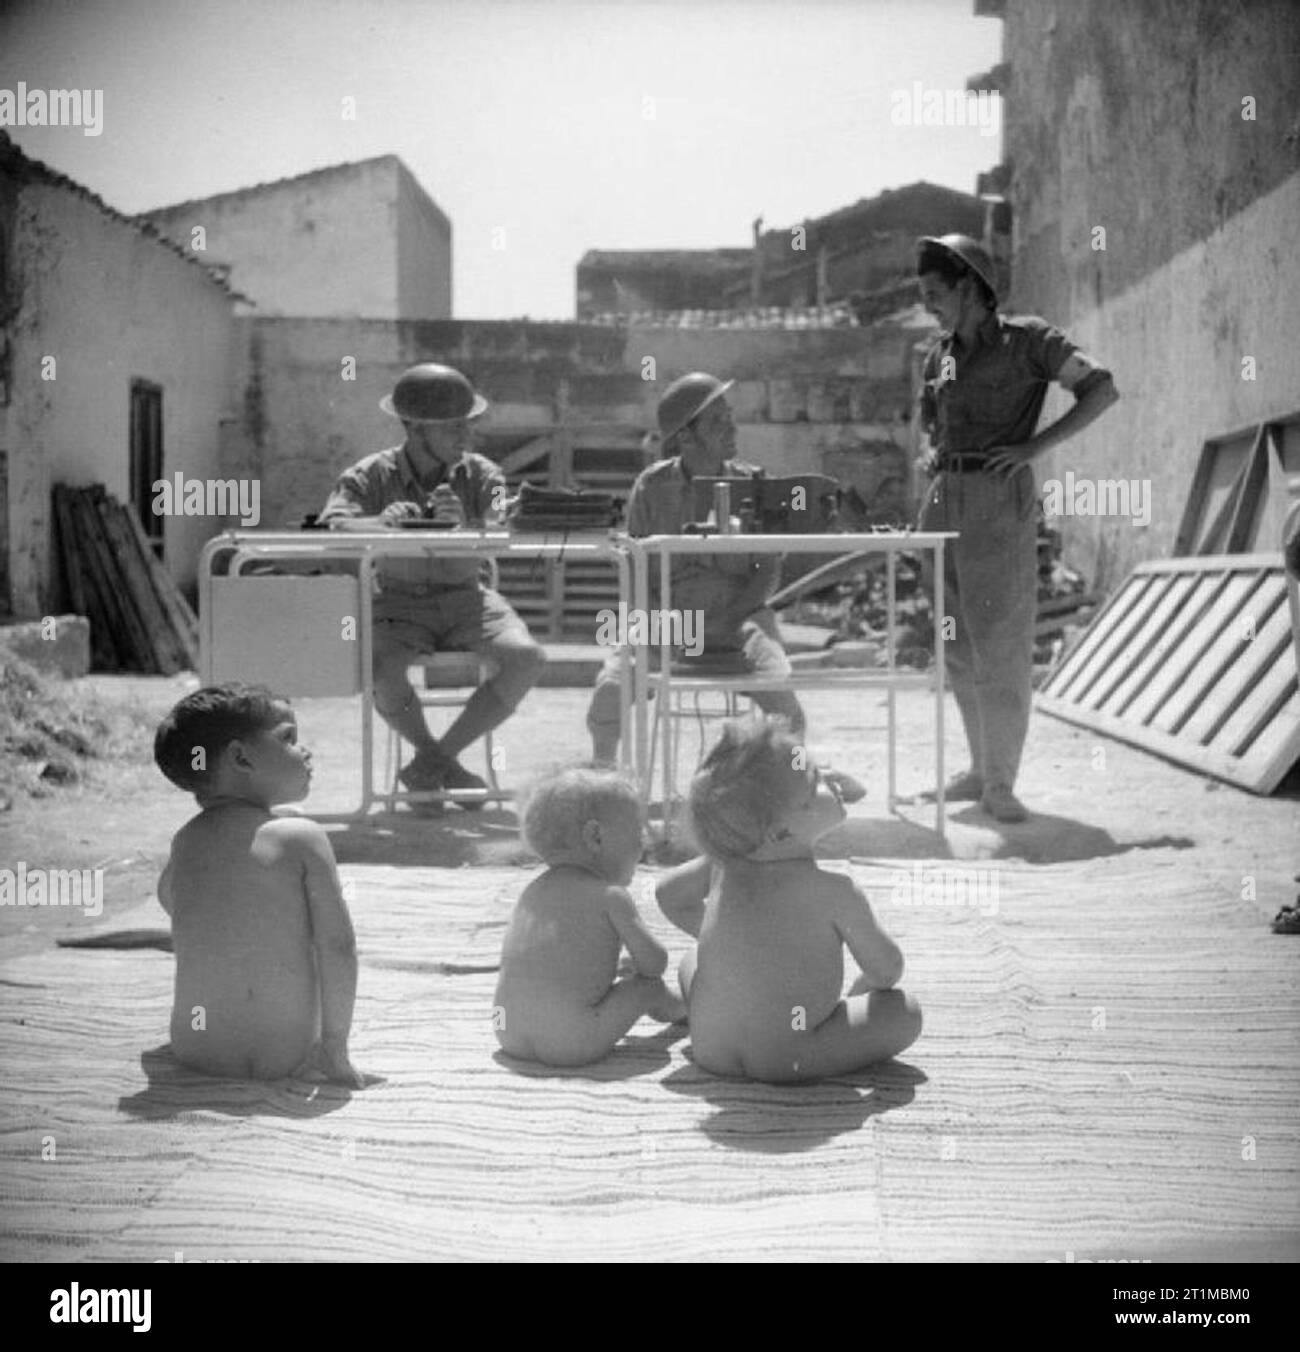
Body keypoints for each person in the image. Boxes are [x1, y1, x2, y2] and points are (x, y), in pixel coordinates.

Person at [915, 234, 1120, 822]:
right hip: (944, 500)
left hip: (997, 502)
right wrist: (933, 465)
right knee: (954, 644)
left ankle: (1002, 783)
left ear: (970, 286)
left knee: (1000, 644)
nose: (928, 304)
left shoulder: (1029, 341)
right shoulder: (938, 355)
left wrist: (1035, 447)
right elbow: (933, 425)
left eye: (935, 293)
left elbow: (1100, 388)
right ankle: (979, 769)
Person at [319, 363, 546, 807]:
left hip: (469, 600)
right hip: (397, 603)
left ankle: (434, 761)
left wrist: (466, 526)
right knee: (379, 668)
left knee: (527, 659)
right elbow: (331, 524)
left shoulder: (483, 473)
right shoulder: (370, 474)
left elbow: (504, 526)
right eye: (453, 427)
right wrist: (380, 524)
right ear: (415, 428)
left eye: (467, 424)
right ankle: (444, 765)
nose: (465, 436)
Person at [659, 717, 921, 1083]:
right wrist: (861, 995)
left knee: (693, 958)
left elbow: (669, 895)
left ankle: (717, 1010)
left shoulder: (726, 860)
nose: (831, 780)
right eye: (816, 783)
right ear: (780, 832)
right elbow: (887, 969)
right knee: (904, 1012)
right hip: (789, 1054)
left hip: (710, 1045)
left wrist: (733, 947)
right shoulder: (836, 892)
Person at [153, 683, 370, 1085]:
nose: (305, 751)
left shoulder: (186, 840)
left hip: (195, 1048)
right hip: (284, 1054)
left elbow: (170, 898)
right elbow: (339, 947)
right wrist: (334, 1047)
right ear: (240, 757)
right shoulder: (302, 837)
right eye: (289, 738)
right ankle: (328, 1050)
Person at [586, 371, 806, 766]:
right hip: (668, 621)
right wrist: (663, 623)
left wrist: (729, 619)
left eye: (730, 416)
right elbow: (634, 568)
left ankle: (783, 794)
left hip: (741, 621)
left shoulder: (753, 485)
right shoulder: (651, 488)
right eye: (718, 421)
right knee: (608, 695)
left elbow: (767, 568)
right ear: (685, 437)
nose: (731, 427)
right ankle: (603, 783)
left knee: (785, 706)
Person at [493, 767, 686, 1066]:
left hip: (506, 1030)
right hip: (571, 1042)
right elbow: (655, 964)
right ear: (595, 837)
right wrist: (640, 967)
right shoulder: (610, 896)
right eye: (637, 833)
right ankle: (683, 1010)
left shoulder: (530, 893)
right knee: (647, 987)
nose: (643, 845)